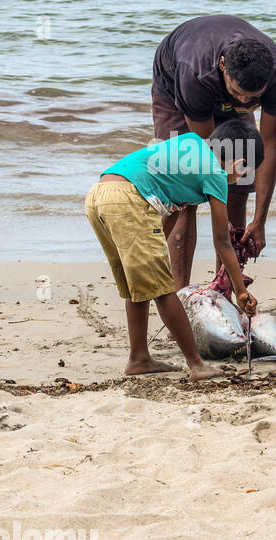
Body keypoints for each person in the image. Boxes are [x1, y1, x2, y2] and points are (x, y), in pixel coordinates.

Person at [84, 119, 261, 380]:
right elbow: (222, 241)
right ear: (240, 160)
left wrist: (153, 257)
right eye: (247, 170)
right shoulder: (213, 173)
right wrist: (241, 290)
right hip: (129, 199)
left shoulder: (190, 144)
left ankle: (139, 358)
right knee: (164, 289)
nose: (243, 178)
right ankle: (197, 366)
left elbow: (171, 210)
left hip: (100, 195)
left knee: (139, 286)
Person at [151, 15, 276, 286]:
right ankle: (182, 297)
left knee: (238, 188)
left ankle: (224, 289)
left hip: (216, 81)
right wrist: (217, 216)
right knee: (185, 196)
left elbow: (270, 143)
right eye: (239, 93)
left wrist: (260, 219)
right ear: (223, 65)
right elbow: (208, 154)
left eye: (253, 97)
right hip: (174, 87)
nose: (244, 101)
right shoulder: (196, 74)